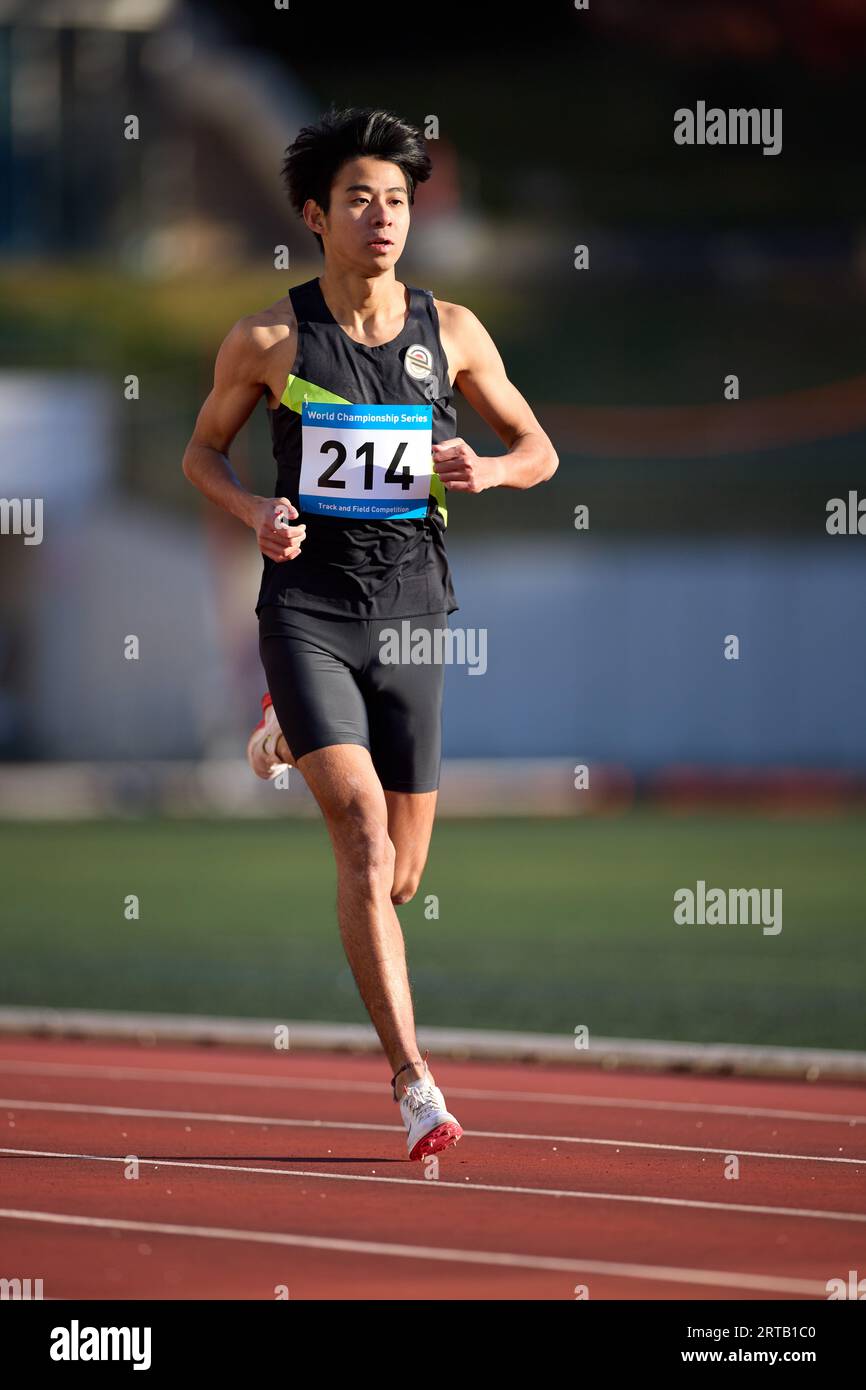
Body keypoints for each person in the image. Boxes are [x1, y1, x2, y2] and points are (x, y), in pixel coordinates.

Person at [182, 106, 558, 1159]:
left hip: (416, 616)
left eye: (396, 200)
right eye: (360, 199)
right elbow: (199, 456)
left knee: (399, 876)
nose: (383, 217)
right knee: (357, 830)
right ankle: (415, 1086)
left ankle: (283, 732)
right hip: (305, 611)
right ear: (315, 214)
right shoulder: (266, 338)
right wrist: (254, 511)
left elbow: (539, 448)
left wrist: (487, 467)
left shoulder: (457, 332)